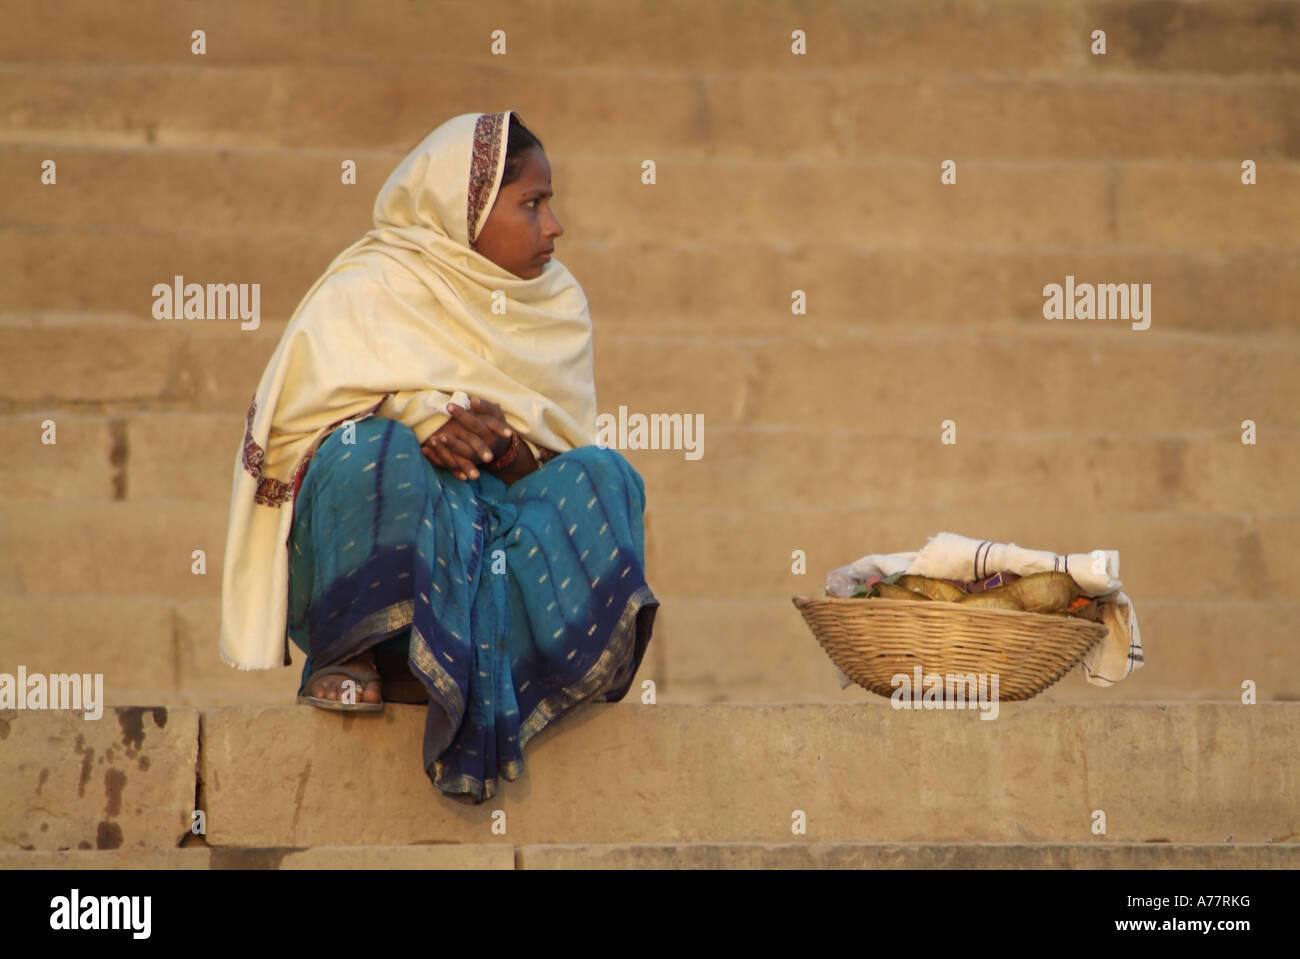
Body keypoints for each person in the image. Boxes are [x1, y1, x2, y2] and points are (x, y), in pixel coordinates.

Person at [219, 110, 659, 804]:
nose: (554, 226)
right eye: (532, 204)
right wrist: (416, 416)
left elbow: (562, 453)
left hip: (499, 550)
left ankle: (522, 667)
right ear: (463, 212)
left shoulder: (557, 302)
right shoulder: (365, 289)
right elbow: (291, 433)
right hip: (397, 544)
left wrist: (507, 446)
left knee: (608, 477)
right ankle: (361, 652)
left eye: (550, 203)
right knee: (372, 445)